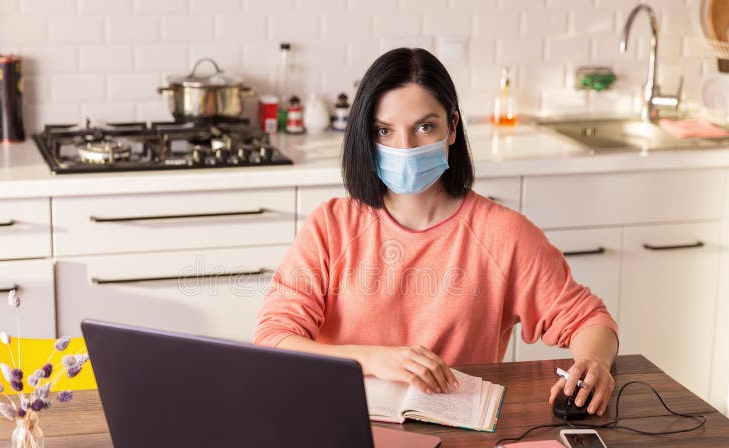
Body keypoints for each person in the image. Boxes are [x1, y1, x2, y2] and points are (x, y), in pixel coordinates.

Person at [254, 48, 619, 416]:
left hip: (455, 434)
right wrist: (375, 360)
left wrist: (594, 363)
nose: (405, 148)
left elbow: (589, 320)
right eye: (384, 131)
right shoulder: (331, 226)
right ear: (367, 138)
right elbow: (273, 340)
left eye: (424, 127)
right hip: (342, 423)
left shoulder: (503, 235)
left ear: (453, 128)